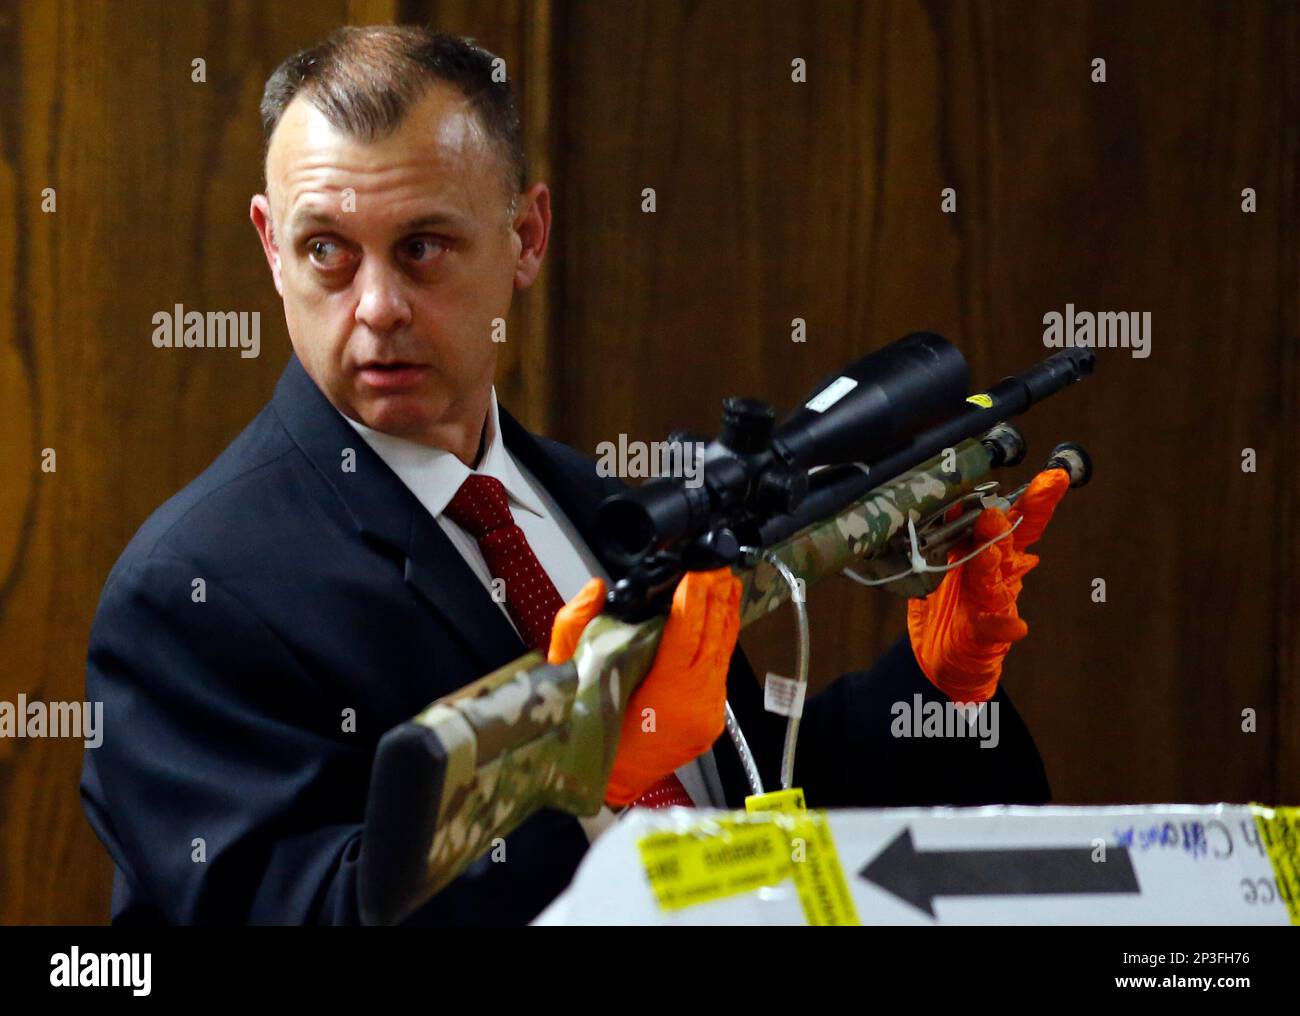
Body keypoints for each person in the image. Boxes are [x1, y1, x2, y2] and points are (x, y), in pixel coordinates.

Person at [80, 25, 1066, 926]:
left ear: (526, 236)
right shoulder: (192, 588)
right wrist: (589, 778)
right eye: (327, 252)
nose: (376, 307)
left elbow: (754, 803)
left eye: (423, 247)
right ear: (270, 245)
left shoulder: (599, 505)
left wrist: (936, 689)